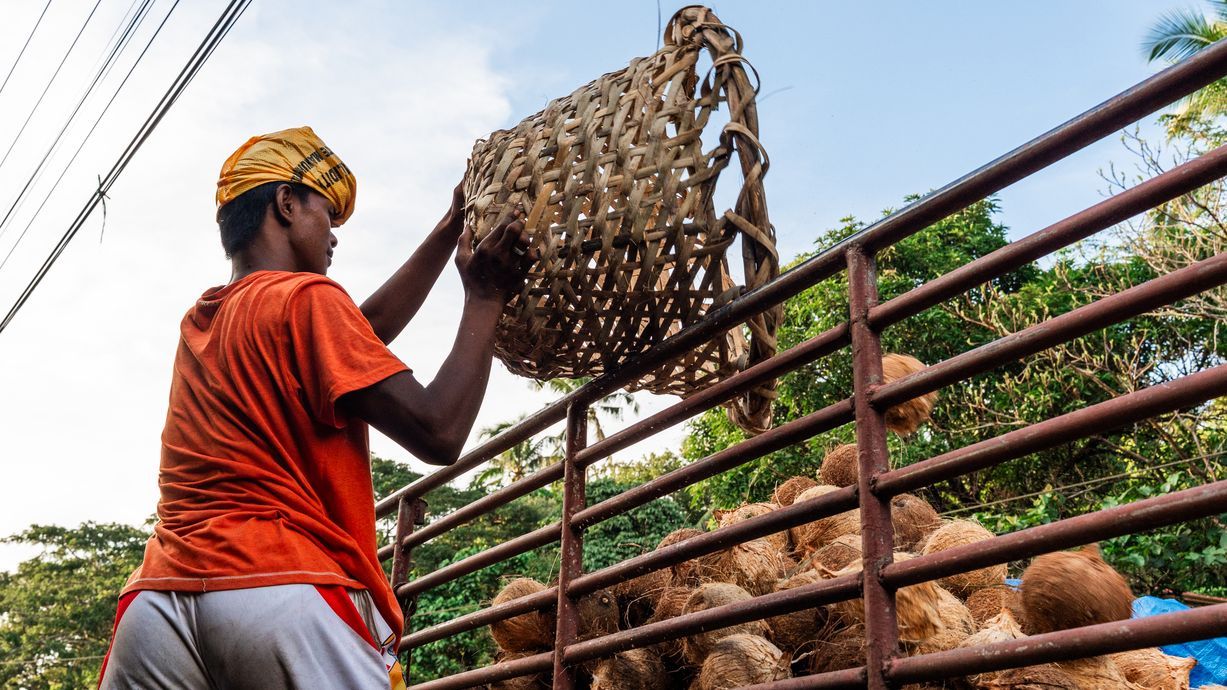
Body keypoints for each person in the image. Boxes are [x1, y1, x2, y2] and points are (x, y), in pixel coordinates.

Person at [98, 126, 531, 689]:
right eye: (327, 213)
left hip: (157, 607)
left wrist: (450, 230)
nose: (334, 235)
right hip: (276, 588)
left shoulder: (204, 320)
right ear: (285, 204)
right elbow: (439, 431)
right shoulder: (306, 299)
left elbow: (359, 336)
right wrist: (485, 297)